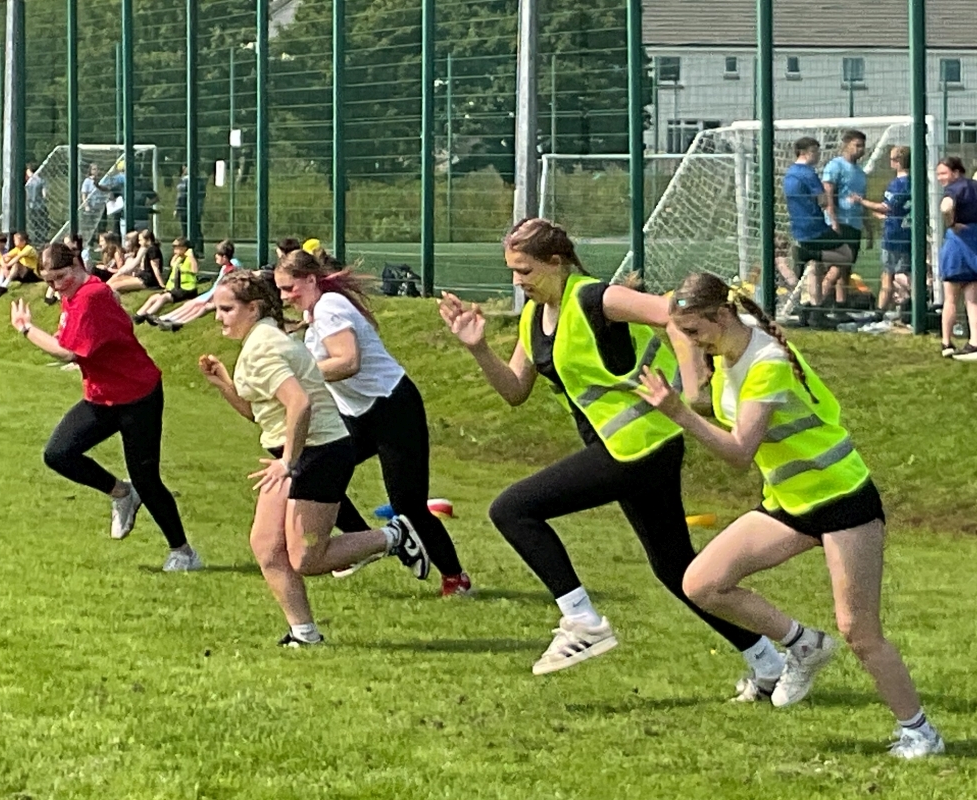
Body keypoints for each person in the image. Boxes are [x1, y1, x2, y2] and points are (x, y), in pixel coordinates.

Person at [438, 217, 783, 687]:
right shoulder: (534, 318)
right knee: (676, 569)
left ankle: (582, 620)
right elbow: (515, 390)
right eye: (512, 272)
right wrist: (477, 348)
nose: (517, 282)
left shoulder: (596, 297)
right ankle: (772, 660)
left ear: (556, 262)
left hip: (638, 448)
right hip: (635, 449)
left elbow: (672, 314)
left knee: (513, 509)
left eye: (525, 271)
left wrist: (693, 386)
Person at [635, 271, 944, 759]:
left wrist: (679, 414)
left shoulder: (768, 362)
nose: (691, 343)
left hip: (841, 499)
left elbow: (740, 452)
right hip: (789, 503)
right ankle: (803, 644)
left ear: (722, 315)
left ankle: (921, 734)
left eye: (694, 332)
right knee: (702, 583)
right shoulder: (730, 355)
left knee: (860, 632)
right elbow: (720, 409)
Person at [197, 270, 428, 645]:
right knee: (266, 546)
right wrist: (224, 383)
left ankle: (394, 535)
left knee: (307, 559)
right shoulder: (262, 339)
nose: (218, 317)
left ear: (253, 308)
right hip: (299, 454)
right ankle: (304, 634)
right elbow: (258, 412)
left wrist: (288, 462)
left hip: (319, 454)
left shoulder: (263, 347)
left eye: (226, 309)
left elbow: (299, 403)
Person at [275, 249, 472, 596]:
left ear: (311, 280)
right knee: (313, 471)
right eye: (279, 290)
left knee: (408, 504)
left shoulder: (329, 307)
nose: (284, 296)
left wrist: (301, 374)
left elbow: (348, 361)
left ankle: (456, 579)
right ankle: (367, 543)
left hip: (393, 408)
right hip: (359, 415)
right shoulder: (315, 310)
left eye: (289, 288)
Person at [9, 242, 202, 572]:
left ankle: (183, 553)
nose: (55, 286)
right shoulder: (80, 292)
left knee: (147, 479)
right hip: (103, 396)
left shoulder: (90, 296)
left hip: (137, 394)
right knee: (58, 453)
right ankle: (121, 493)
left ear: (77, 263)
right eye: (48, 281)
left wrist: (27, 328)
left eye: (60, 277)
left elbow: (67, 352)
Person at [782, 137, 852, 307]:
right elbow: (823, 201)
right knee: (846, 254)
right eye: (815, 151)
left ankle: (815, 307)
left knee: (815, 268)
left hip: (798, 228)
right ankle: (807, 254)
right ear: (804, 153)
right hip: (815, 228)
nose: (818, 155)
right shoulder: (808, 173)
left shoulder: (790, 173)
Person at [853, 147, 912, 315]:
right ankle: (903, 308)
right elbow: (901, 210)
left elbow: (886, 207)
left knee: (890, 274)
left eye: (892, 159)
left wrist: (861, 201)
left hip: (894, 235)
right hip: (907, 231)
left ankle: (881, 311)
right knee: (901, 271)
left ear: (898, 161)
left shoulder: (898, 184)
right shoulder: (915, 182)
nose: (890, 162)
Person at [820, 130, 870, 307]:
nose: (861, 149)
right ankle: (816, 305)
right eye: (857, 145)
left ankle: (840, 305)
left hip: (854, 224)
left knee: (846, 269)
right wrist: (833, 220)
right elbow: (828, 194)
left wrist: (868, 227)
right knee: (836, 266)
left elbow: (862, 201)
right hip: (838, 223)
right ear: (846, 145)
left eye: (863, 146)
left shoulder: (860, 172)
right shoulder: (835, 166)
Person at [935, 156, 977, 361]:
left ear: (956, 172)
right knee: (973, 299)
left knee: (950, 298)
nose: (940, 178)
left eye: (943, 173)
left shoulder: (954, 188)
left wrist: (950, 223)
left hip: (957, 244)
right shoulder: (974, 187)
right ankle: (975, 342)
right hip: (974, 242)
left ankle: (946, 343)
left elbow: (945, 207)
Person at [158, 239, 241, 332]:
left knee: (198, 306)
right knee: (192, 304)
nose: (215, 256)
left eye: (218, 255)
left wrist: (210, 299)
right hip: (213, 295)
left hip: (216, 296)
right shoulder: (226, 267)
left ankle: (177, 321)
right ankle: (170, 318)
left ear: (224, 257)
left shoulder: (230, 270)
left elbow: (222, 288)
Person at [132, 237, 199, 324]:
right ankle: (139, 315)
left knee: (164, 297)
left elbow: (195, 270)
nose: (174, 249)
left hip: (186, 289)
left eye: (177, 247)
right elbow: (172, 264)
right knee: (153, 297)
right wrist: (176, 255)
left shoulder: (190, 259)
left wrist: (191, 256)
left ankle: (150, 314)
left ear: (185, 248)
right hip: (174, 288)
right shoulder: (179, 258)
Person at [107, 229, 165, 296]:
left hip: (148, 281)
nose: (139, 243)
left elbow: (156, 269)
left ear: (148, 239)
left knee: (114, 286)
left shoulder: (153, 250)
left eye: (141, 240)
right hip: (142, 276)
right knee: (115, 279)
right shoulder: (147, 248)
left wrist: (162, 285)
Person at [0, 231, 39, 298]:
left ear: (23, 241)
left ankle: (4, 285)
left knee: (16, 264)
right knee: (3, 265)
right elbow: (5, 257)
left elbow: (18, 257)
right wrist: (4, 266)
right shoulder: (17, 249)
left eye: (16, 240)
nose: (14, 242)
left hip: (32, 273)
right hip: (22, 273)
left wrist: (7, 266)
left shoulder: (28, 248)